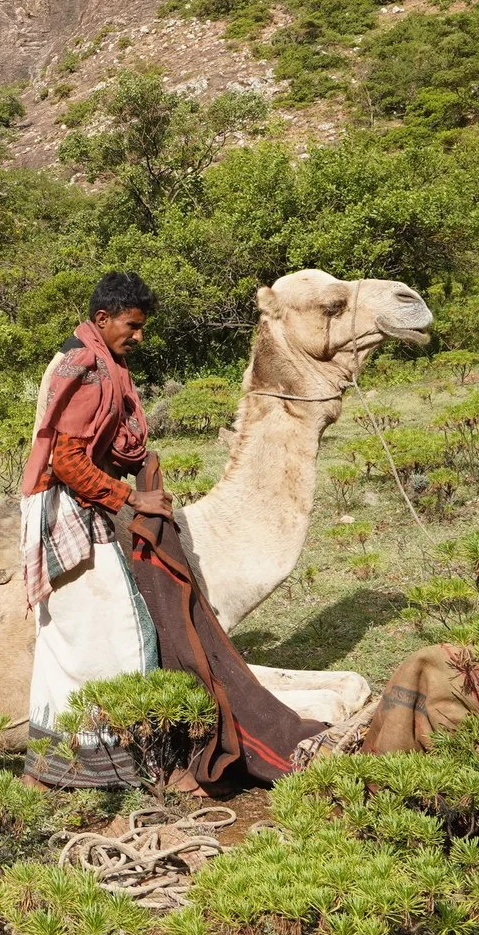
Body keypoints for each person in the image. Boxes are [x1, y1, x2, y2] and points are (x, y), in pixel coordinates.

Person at [19, 270, 322, 791]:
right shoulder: (88, 370)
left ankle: (57, 766)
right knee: (122, 631)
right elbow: (67, 461)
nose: (139, 336)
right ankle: (117, 762)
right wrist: (132, 498)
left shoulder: (97, 359)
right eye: (132, 326)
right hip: (68, 509)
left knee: (73, 638)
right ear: (102, 319)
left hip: (78, 503)